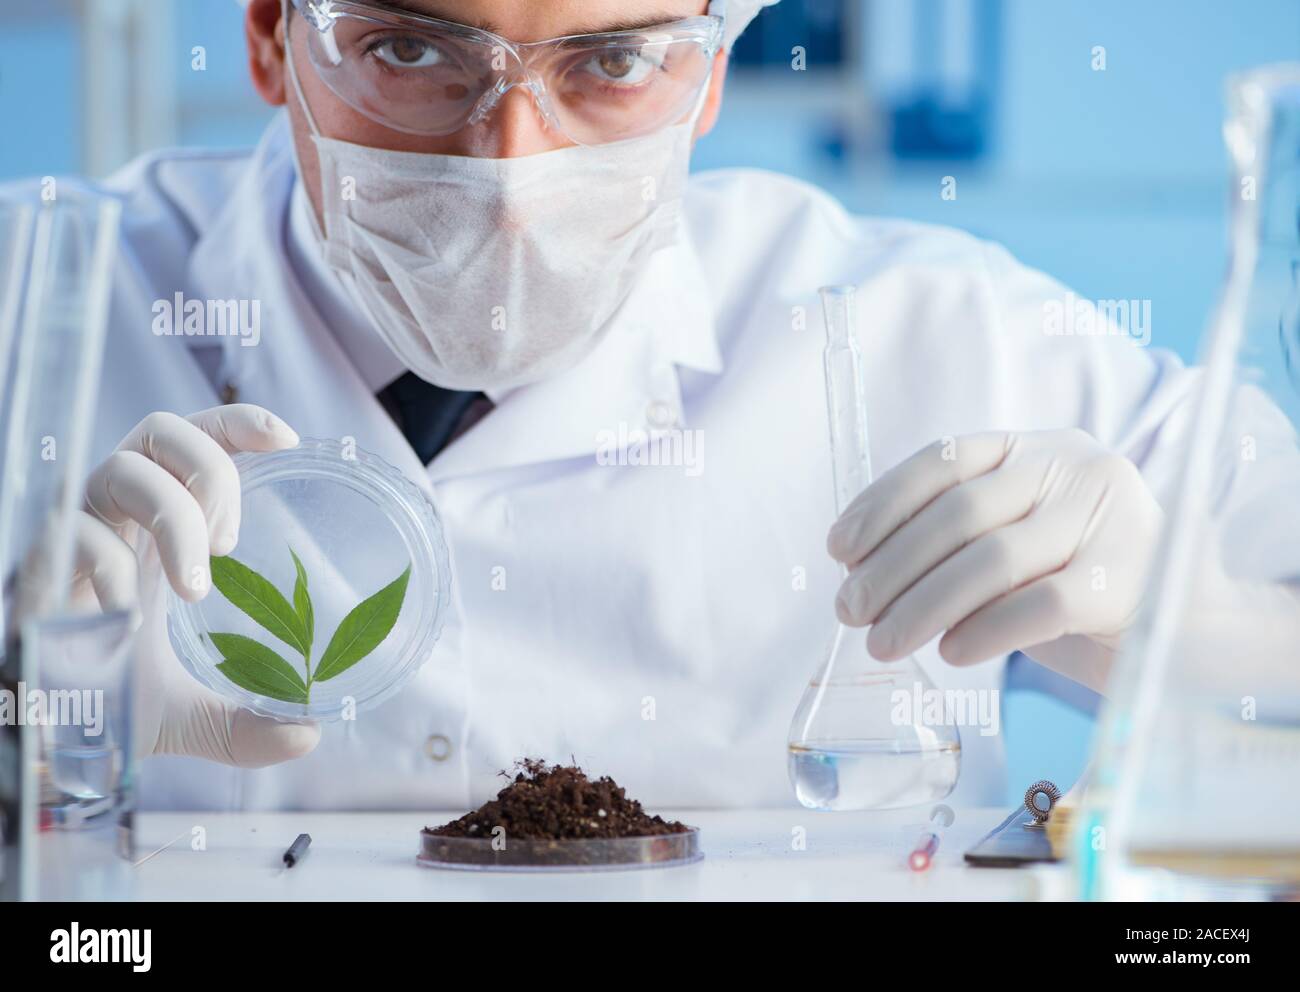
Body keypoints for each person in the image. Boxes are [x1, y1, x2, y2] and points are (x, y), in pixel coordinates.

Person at [3, 0, 1289, 811]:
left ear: (713, 75)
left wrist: (1184, 623)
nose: (511, 169)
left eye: (612, 61)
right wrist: (21, 691)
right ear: (274, 35)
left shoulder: (952, 338)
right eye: (409, 49)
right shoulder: (32, 304)